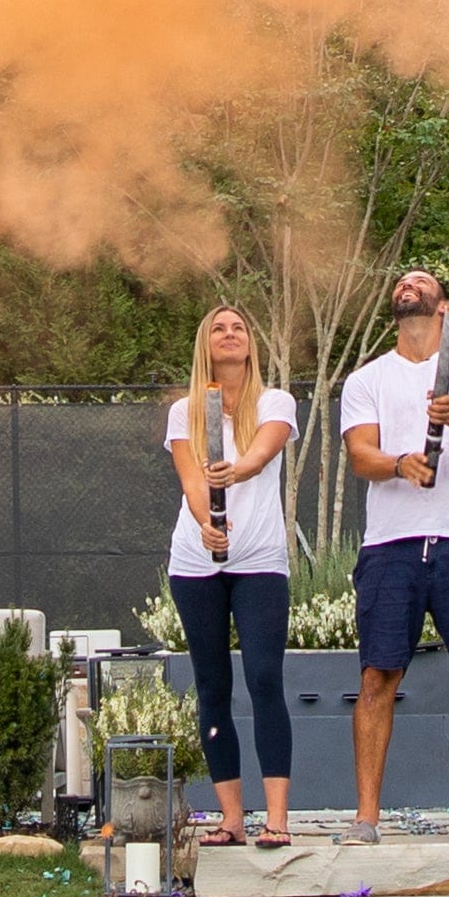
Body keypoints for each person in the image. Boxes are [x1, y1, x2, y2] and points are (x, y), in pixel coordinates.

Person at [334, 267, 449, 843]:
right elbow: (360, 453)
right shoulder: (366, 381)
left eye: (420, 280)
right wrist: (400, 464)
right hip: (391, 545)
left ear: (444, 307)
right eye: (402, 280)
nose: (406, 284)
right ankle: (366, 819)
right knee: (376, 678)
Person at [164, 304, 299, 848]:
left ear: (250, 343)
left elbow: (263, 452)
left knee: (265, 679)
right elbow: (191, 479)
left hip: (260, 561)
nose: (229, 334)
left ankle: (278, 820)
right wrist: (207, 523)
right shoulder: (185, 411)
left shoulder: (276, 402)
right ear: (206, 344)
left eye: (238, 327)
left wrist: (236, 471)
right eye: (218, 328)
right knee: (212, 687)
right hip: (196, 564)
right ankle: (231, 819)